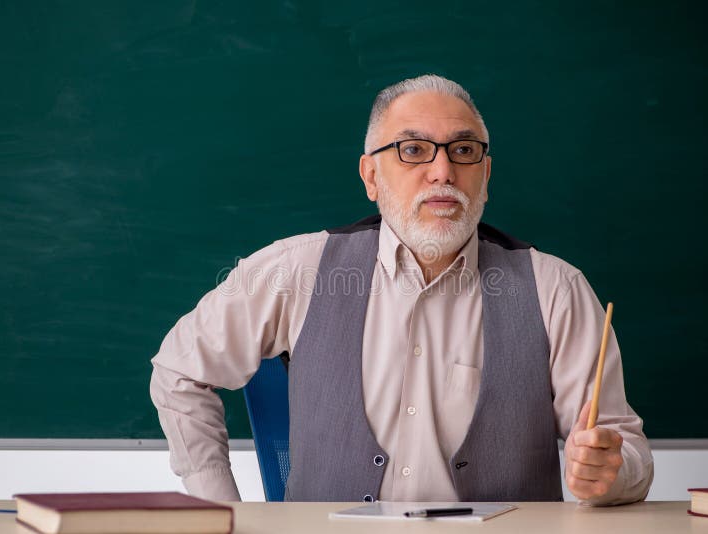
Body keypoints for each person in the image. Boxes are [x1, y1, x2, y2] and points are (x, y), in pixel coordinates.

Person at [150, 74, 653, 504]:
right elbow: (179, 371)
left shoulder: (556, 288)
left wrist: (610, 473)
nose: (442, 171)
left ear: (486, 172)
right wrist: (217, 510)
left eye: (463, 150)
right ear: (371, 175)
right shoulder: (297, 269)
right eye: (413, 150)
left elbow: (627, 451)